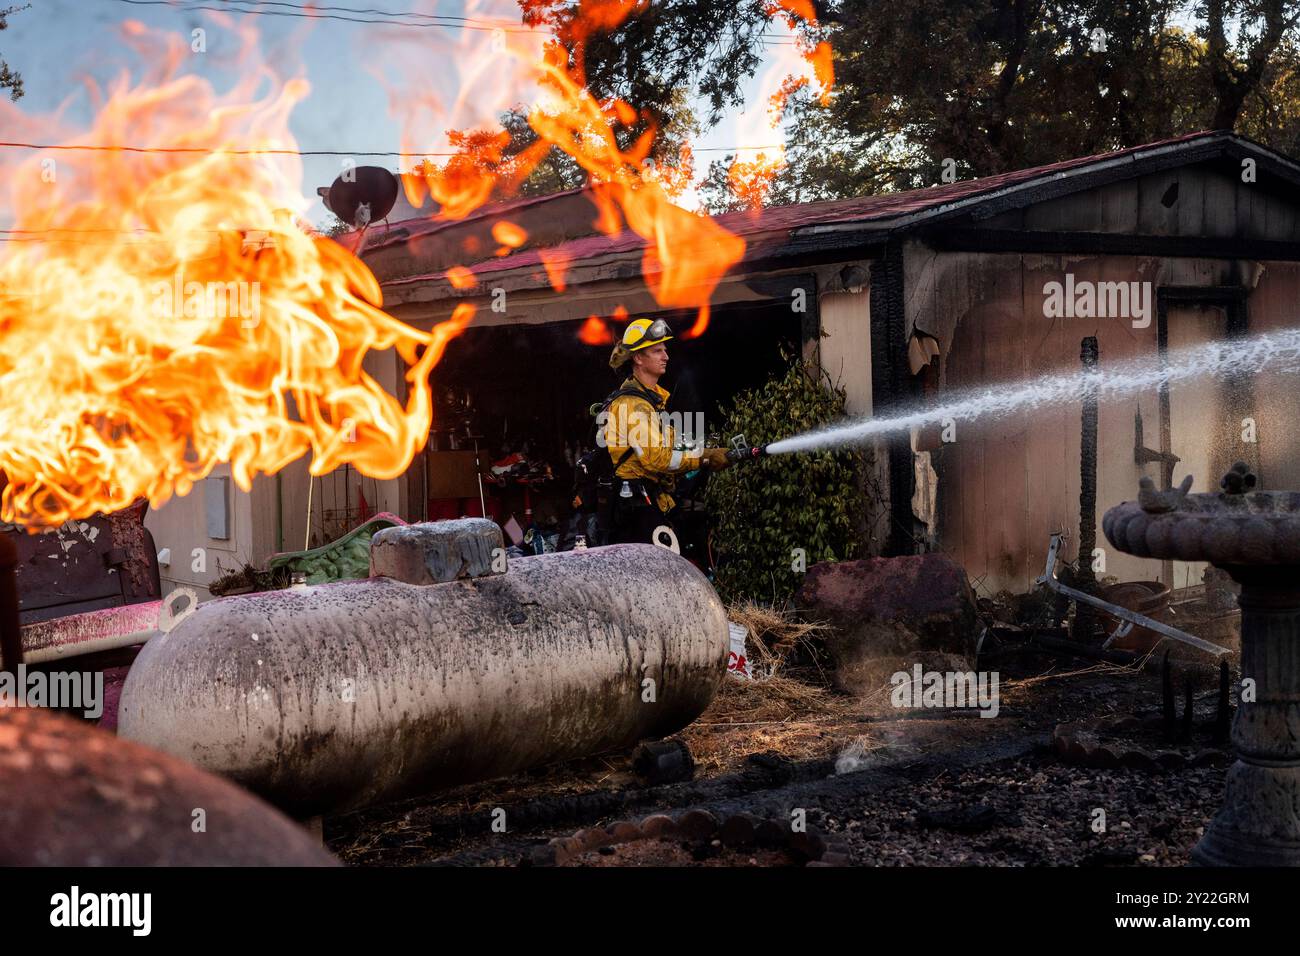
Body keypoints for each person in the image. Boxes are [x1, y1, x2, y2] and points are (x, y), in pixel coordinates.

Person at [601, 318, 731, 546]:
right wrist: (704, 458)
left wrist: (705, 450)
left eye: (665, 350)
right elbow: (657, 459)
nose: (666, 356)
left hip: (650, 502)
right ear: (638, 358)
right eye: (657, 351)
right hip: (636, 511)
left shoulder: (651, 401)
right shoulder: (633, 404)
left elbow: (669, 447)